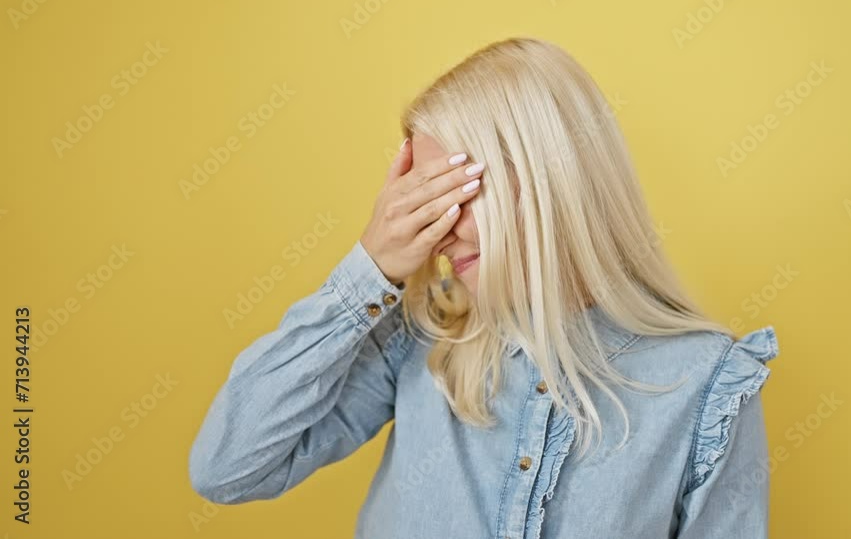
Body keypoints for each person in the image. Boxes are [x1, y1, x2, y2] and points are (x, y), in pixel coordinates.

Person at [188, 37, 779, 538]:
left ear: (550, 182)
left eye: (454, 195)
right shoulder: (422, 330)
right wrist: (369, 268)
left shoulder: (707, 384)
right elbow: (229, 468)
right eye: (420, 202)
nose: (436, 234)